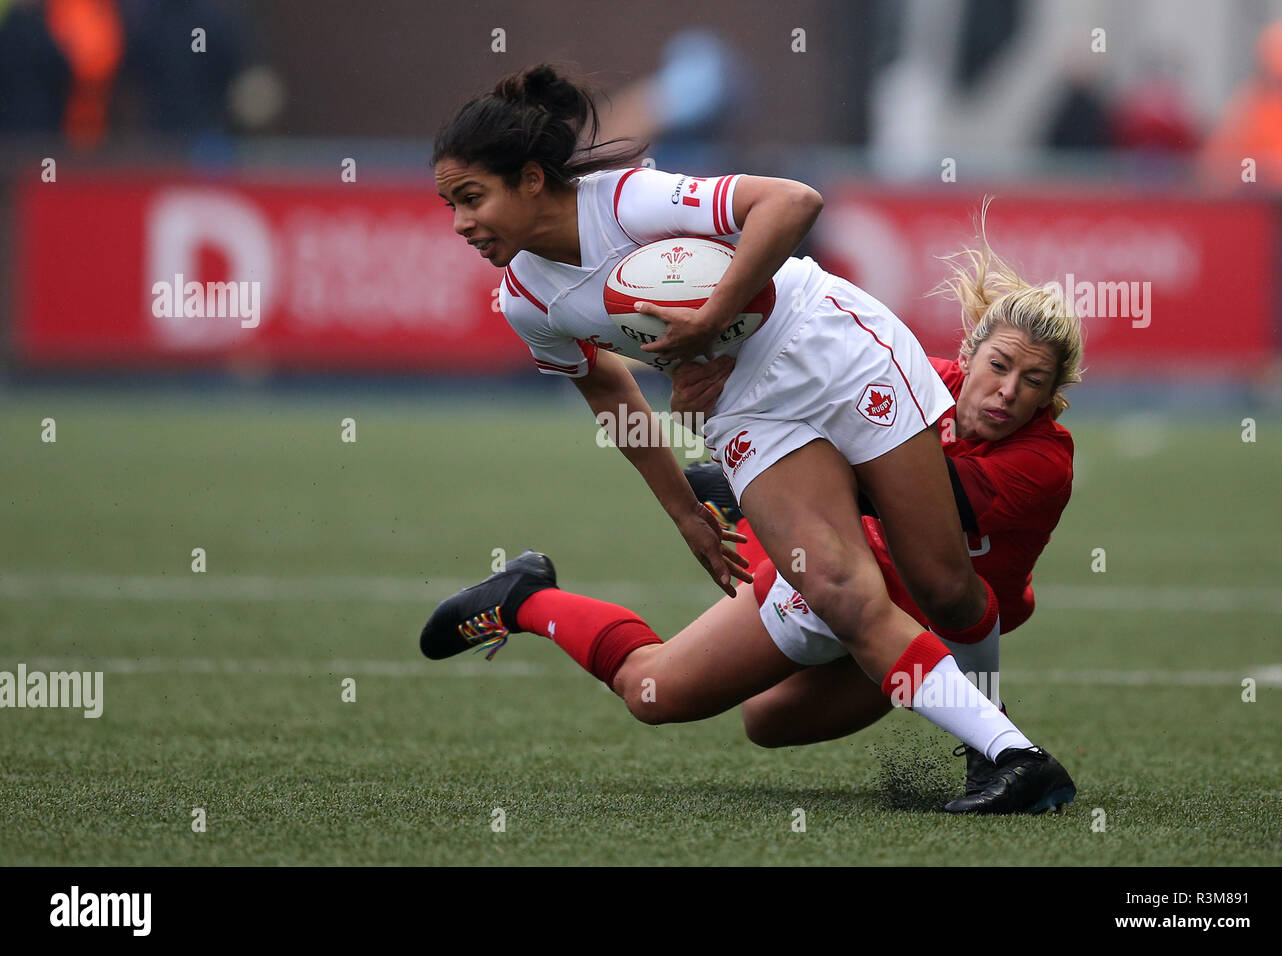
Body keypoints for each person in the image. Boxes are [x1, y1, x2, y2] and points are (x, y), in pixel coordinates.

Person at [428, 62, 1073, 812]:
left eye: (471, 199)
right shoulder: (527, 301)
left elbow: (792, 203)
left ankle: (986, 750)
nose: (460, 225)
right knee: (838, 592)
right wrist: (683, 511)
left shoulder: (630, 201)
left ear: (532, 179)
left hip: (826, 344)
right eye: (450, 205)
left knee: (945, 585)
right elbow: (608, 387)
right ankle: (1019, 762)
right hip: (748, 411)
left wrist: (708, 322)